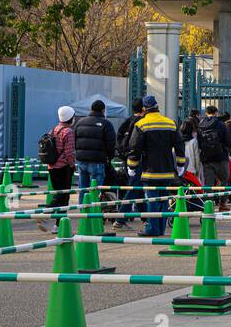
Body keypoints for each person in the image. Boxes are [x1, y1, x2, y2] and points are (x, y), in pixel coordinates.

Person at [126, 96, 186, 237]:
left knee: (151, 200)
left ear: (144, 109)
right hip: (167, 170)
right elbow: (179, 145)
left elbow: (134, 148)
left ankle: (152, 228)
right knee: (164, 199)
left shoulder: (141, 124)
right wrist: (180, 164)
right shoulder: (170, 123)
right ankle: (161, 228)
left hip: (150, 170)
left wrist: (132, 166)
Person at [38, 106, 77, 231]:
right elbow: (69, 153)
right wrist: (72, 166)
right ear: (70, 117)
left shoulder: (53, 129)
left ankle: (58, 225)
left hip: (52, 166)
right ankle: (45, 215)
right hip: (63, 168)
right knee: (63, 197)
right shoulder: (68, 132)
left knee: (58, 194)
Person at [112, 97, 145, 230]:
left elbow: (119, 139)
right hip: (138, 159)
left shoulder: (127, 121)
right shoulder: (142, 122)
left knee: (139, 189)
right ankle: (120, 219)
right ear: (143, 109)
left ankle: (147, 218)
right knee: (134, 188)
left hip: (127, 159)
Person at [73, 99, 116, 198]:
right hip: (97, 161)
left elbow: (74, 140)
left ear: (91, 109)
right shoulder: (106, 124)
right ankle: (94, 209)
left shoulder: (80, 122)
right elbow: (111, 144)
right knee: (95, 189)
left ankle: (83, 210)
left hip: (81, 160)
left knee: (83, 188)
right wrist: (110, 158)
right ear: (103, 110)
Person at [196, 105, 231, 206]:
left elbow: (198, 141)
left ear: (206, 113)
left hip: (206, 158)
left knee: (209, 184)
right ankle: (222, 204)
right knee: (224, 180)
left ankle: (209, 205)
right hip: (221, 157)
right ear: (216, 113)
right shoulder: (221, 124)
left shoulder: (201, 124)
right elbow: (227, 141)